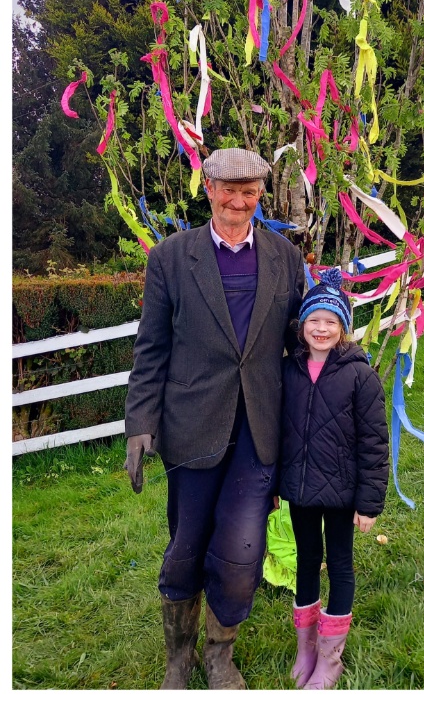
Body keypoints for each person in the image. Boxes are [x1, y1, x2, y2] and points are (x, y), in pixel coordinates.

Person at [124, 147, 306, 690]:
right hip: (192, 425)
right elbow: (151, 348)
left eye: (249, 191)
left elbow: (301, 342)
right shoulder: (172, 258)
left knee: (242, 549)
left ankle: (219, 654)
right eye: (228, 189)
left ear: (259, 195)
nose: (238, 201)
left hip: (258, 428)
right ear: (207, 188)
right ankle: (177, 659)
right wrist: (139, 425)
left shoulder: (283, 258)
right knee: (186, 546)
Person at [279, 267, 389, 690]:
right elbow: (278, 433)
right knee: (306, 563)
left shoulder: (359, 375)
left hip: (343, 494)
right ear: (302, 325)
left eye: (330, 322)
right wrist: (275, 487)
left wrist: (369, 502)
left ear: (342, 327)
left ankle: (330, 659)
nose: (321, 329)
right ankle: (305, 647)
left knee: (339, 565)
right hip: (301, 491)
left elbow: (374, 443)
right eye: (313, 321)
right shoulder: (289, 371)